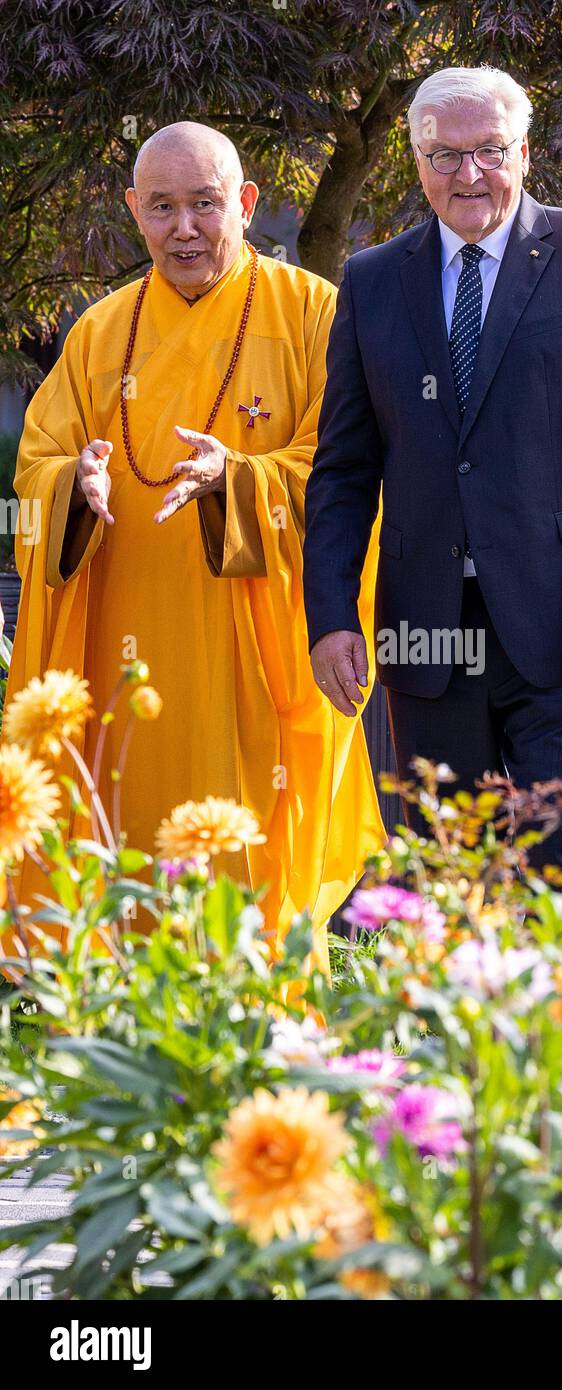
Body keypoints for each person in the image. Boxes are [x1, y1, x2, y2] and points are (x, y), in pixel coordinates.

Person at [6, 122, 384, 966]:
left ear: (246, 204)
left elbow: (350, 466)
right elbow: (36, 461)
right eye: (164, 208)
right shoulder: (100, 332)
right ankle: (126, 1049)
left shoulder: (314, 312)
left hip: (254, 649)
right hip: (120, 650)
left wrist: (242, 480)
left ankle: (254, 1032)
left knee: (245, 852)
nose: (185, 228)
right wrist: (74, 487)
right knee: (123, 838)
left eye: (206, 204)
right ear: (135, 212)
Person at [303, 66, 562, 867]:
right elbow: (342, 470)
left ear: (526, 154)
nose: (468, 174)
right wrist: (331, 615)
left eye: (489, 151)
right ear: (418, 163)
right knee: (445, 879)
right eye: (444, 156)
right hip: (425, 639)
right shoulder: (370, 281)